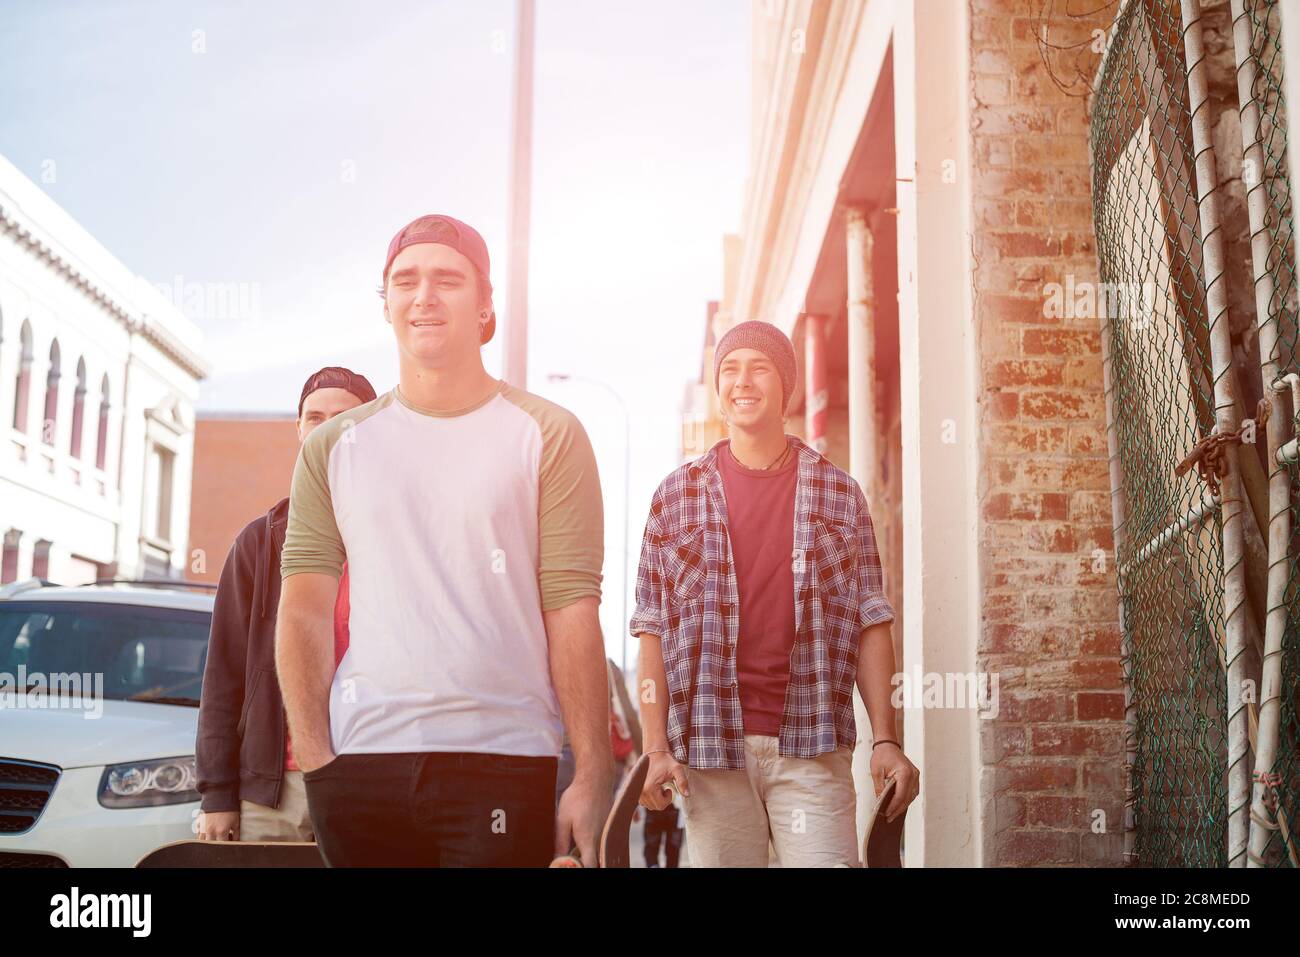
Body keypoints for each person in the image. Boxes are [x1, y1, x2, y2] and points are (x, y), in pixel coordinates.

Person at [277, 214, 613, 867]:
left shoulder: (549, 433)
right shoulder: (331, 448)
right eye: (406, 280)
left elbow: (572, 610)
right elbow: (304, 610)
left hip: (504, 762)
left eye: (448, 279)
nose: (424, 294)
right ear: (386, 304)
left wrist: (592, 774)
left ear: (486, 305)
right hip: (360, 767)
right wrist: (317, 762)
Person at [631, 320, 920, 867]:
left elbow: (869, 618)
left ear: (785, 385)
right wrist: (654, 749)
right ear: (718, 388)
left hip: (811, 744)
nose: (743, 381)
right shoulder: (676, 497)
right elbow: (652, 626)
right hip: (712, 749)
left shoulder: (840, 493)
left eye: (759, 367)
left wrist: (886, 737)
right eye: (731, 369)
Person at [195, 366, 377, 842]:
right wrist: (217, 795)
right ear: (299, 430)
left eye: (344, 417)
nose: (328, 428)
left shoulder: (399, 539)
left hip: (372, 785)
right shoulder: (259, 543)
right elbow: (223, 677)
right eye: (314, 417)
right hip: (273, 794)